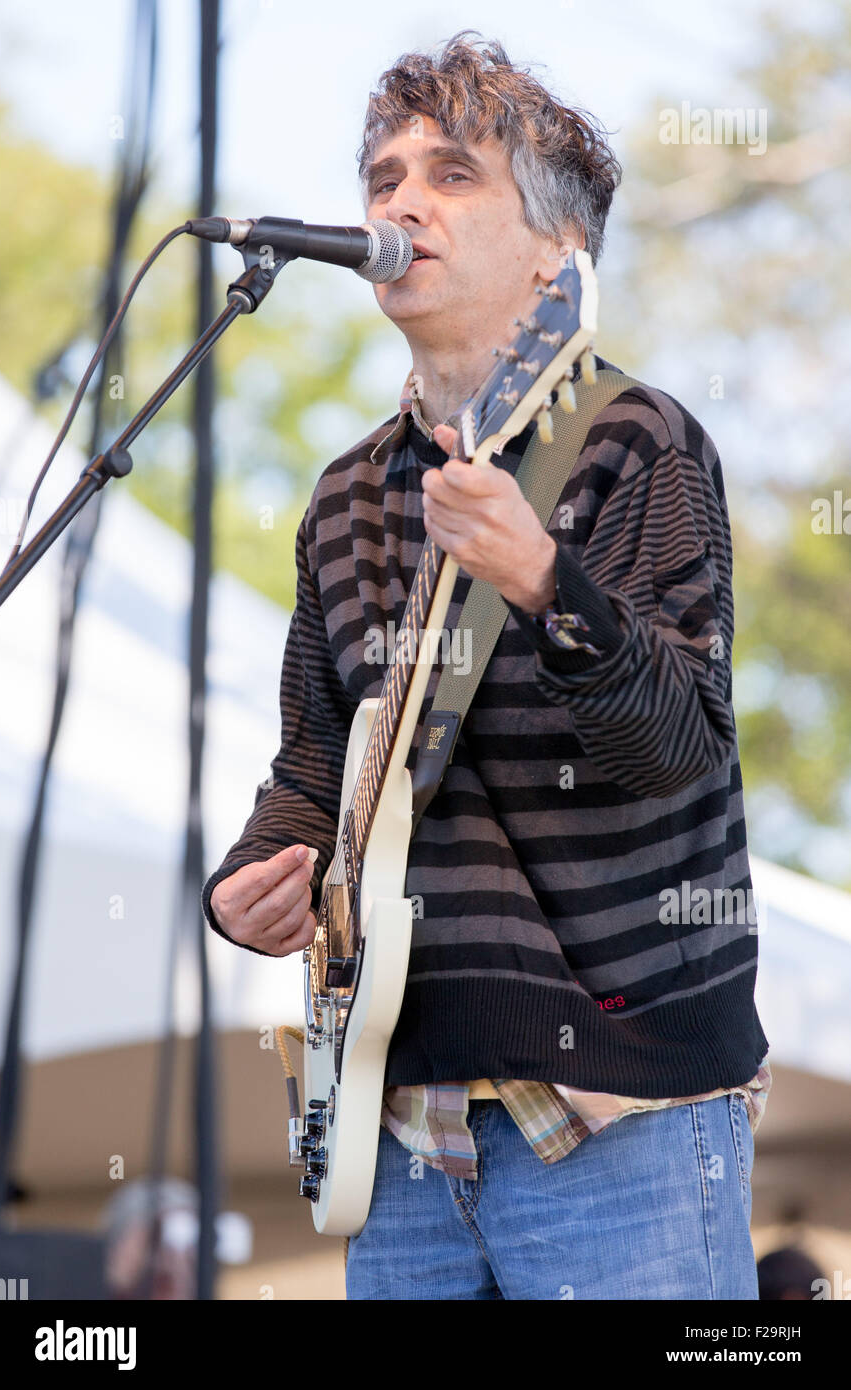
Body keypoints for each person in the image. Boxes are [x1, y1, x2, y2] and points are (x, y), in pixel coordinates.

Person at [202, 31, 771, 1300]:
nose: (398, 202)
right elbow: (319, 756)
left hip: (615, 1117)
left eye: (451, 174)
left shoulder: (636, 442)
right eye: (382, 175)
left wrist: (541, 581)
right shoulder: (347, 495)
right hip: (395, 1126)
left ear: (553, 250)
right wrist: (254, 874)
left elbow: (679, 740)